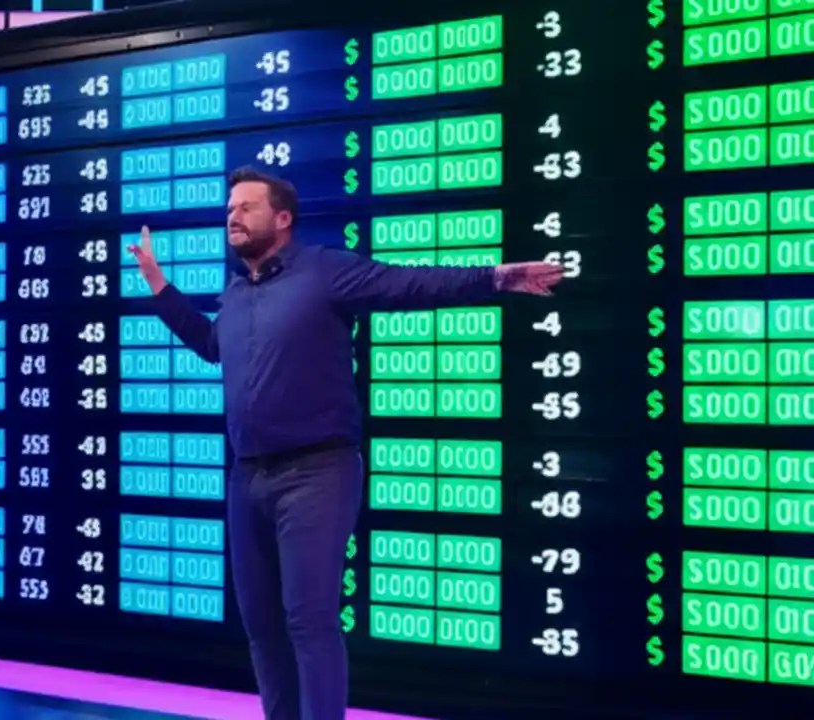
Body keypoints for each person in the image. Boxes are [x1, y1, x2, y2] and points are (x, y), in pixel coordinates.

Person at [128, 167, 563, 720]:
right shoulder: (236, 292)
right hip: (247, 477)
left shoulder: (325, 271)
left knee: (308, 620)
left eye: (246, 207)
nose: (232, 216)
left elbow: (408, 285)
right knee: (261, 623)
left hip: (317, 471)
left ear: (283, 219)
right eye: (229, 208)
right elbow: (213, 345)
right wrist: (160, 288)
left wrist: (495, 278)